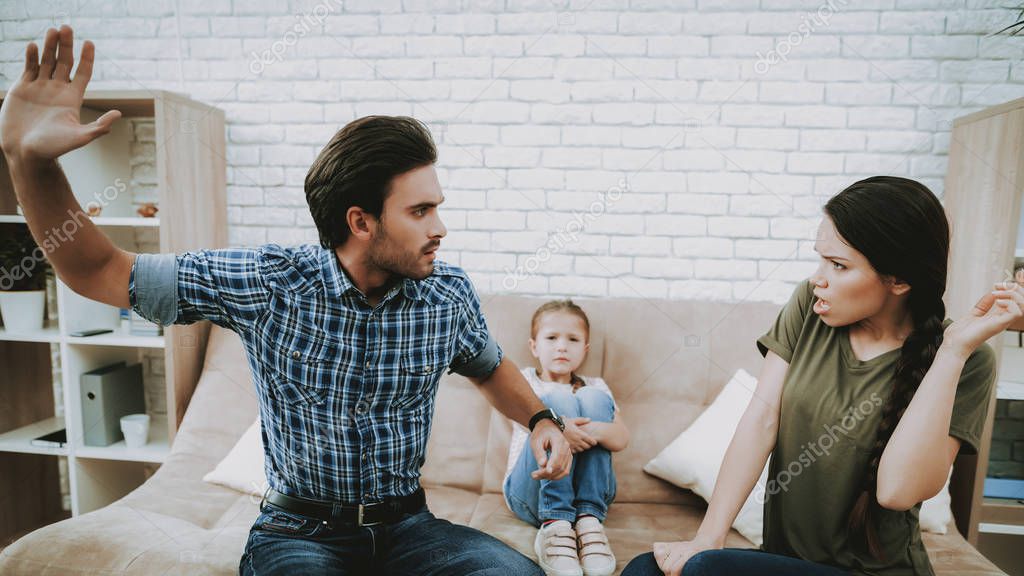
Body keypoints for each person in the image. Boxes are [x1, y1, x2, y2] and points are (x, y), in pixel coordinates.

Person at [0, 26, 574, 576]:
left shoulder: (445, 293)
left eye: (436, 207)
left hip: (408, 527)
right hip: (299, 531)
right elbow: (100, 270)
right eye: (420, 211)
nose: (440, 227)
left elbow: (487, 363)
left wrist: (540, 418)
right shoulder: (268, 282)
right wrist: (32, 163)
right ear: (361, 221)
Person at [623, 176, 1018, 576]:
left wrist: (952, 352)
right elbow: (761, 421)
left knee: (706, 571)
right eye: (821, 259)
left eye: (838, 265)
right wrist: (709, 536)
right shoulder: (811, 306)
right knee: (647, 570)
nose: (818, 278)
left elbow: (897, 491)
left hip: (876, 573)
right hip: (785, 562)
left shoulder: (967, 360)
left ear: (898, 279)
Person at [504, 300, 629, 576]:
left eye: (572, 339)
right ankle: (555, 522)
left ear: (585, 349)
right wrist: (559, 425)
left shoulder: (596, 387)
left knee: (592, 397)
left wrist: (580, 432)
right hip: (531, 494)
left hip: (590, 496)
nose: (562, 346)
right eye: (551, 338)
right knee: (557, 397)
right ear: (534, 346)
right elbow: (523, 422)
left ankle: (587, 520)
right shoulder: (525, 381)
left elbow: (620, 439)